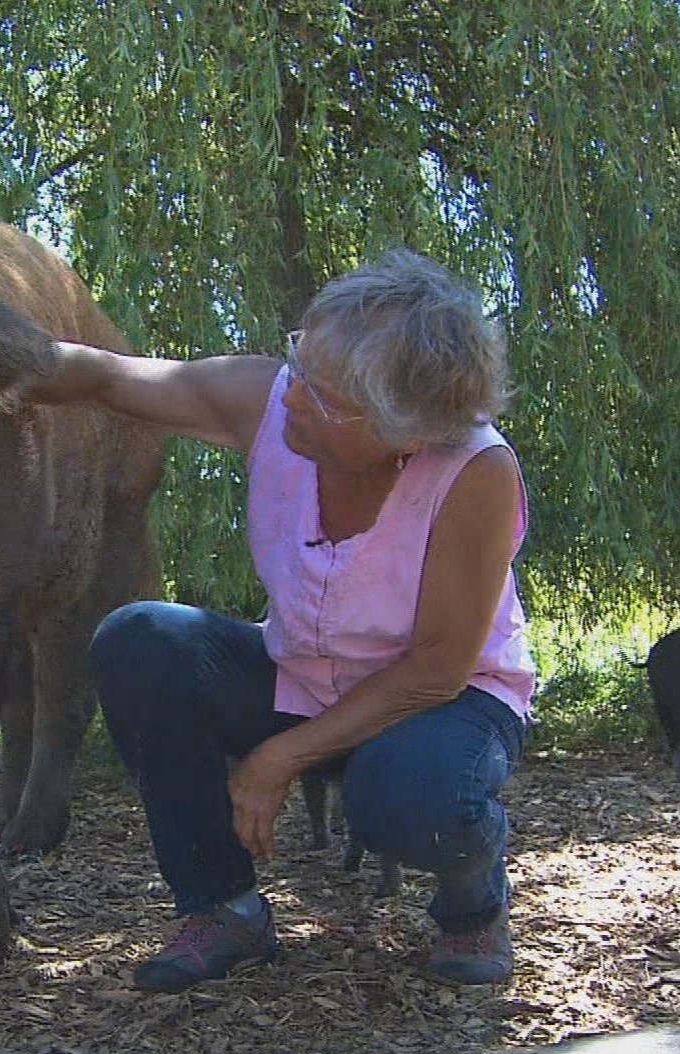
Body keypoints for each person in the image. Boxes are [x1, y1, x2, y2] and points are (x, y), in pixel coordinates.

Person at [26, 249, 536, 992]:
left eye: (324, 396)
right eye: (299, 362)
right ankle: (223, 908)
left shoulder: (475, 474)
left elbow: (437, 668)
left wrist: (281, 757)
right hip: (305, 676)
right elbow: (105, 378)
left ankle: (473, 903)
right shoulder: (269, 398)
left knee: (412, 801)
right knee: (141, 642)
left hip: (447, 703)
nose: (292, 396)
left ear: (406, 436)